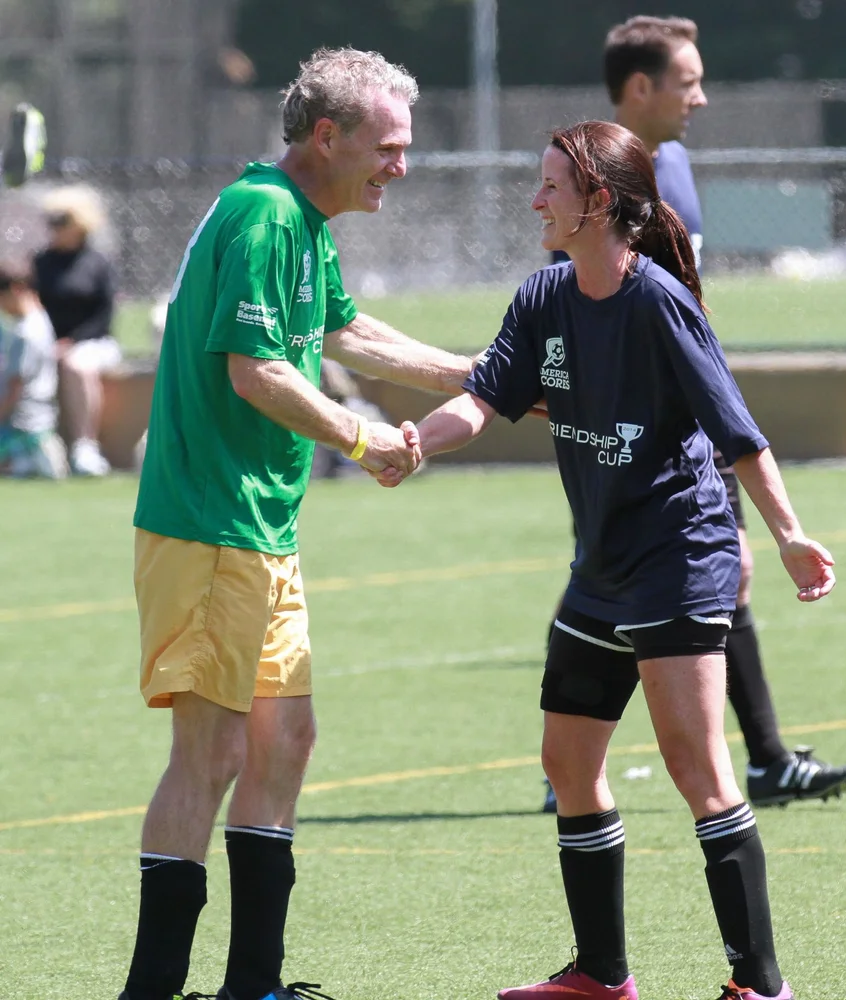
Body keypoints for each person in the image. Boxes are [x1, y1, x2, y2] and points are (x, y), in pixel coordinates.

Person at [408, 120, 835, 1000]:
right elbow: (482, 399)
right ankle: (602, 975)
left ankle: (761, 985)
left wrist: (789, 534)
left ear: (598, 202)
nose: (536, 200)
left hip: (679, 554)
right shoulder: (543, 298)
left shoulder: (658, 303)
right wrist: (415, 442)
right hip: (601, 566)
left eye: (551, 188)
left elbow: (739, 435)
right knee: (568, 761)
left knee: (699, 770)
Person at [122, 48, 478, 1000]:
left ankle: (255, 986)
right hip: (208, 527)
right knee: (211, 755)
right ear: (328, 136)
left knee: (285, 744)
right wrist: (364, 441)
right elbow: (258, 371)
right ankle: (150, 990)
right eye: (388, 148)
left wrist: (473, 374)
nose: (400, 166)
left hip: (256, 530)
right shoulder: (268, 214)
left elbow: (342, 332)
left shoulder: (300, 218)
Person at [538, 15, 846, 813]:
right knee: (636, 587)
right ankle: (578, 772)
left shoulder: (672, 165)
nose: (702, 97)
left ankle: (764, 758)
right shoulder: (592, 177)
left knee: (729, 583)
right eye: (687, 81)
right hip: (632, 445)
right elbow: (585, 314)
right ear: (640, 87)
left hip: (687, 426)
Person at [33, 185, 119, 475]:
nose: (54, 229)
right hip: (48, 343)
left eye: (61, 222)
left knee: (76, 365)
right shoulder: (41, 262)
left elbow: (104, 314)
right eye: (51, 222)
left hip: (93, 342)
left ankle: (85, 448)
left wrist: (72, 341)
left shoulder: (97, 263)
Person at [0, 258, 66, 478]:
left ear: (16, 290)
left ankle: (25, 460)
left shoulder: (24, 334)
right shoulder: (42, 321)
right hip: (42, 419)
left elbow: (14, 389)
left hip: (21, 425)